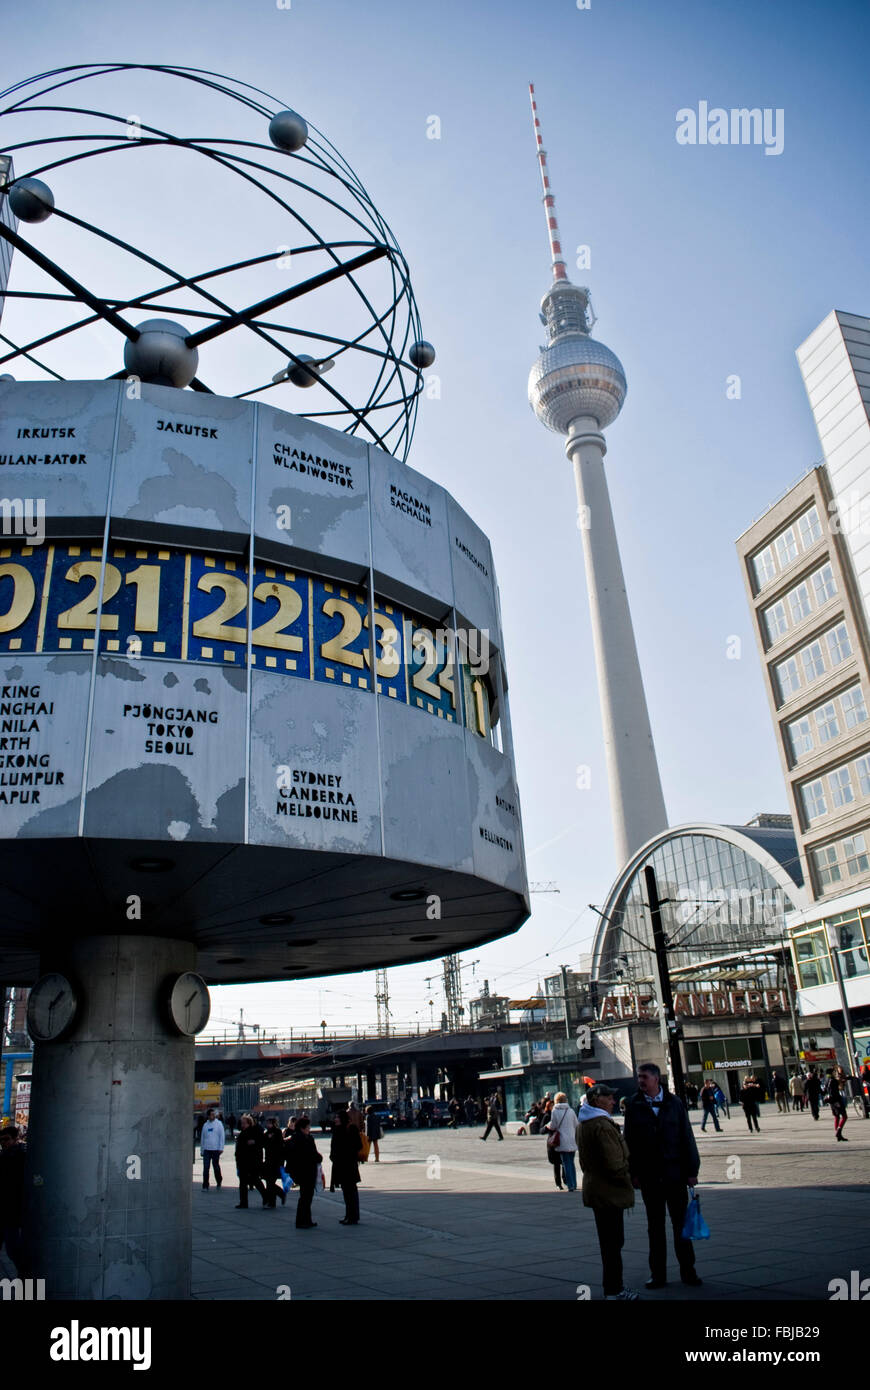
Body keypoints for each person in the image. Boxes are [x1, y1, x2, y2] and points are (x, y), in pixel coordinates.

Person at [623, 1062, 701, 1290]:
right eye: (639, 1077)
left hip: (675, 1174)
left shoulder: (674, 1103)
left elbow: (687, 1137)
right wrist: (633, 1173)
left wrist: (692, 1171)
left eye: (644, 1077)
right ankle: (657, 1274)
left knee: (681, 1225)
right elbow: (630, 1142)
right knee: (654, 1227)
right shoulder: (633, 1104)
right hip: (649, 1176)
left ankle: (688, 1271)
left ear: (656, 1078)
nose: (640, 1081)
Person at [576, 1084, 638, 1301]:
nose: (613, 1101)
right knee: (614, 1243)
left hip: (595, 1189)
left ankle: (613, 1287)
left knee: (608, 1243)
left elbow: (584, 1161)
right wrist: (627, 1176)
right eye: (609, 1098)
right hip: (609, 1191)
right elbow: (614, 1163)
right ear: (596, 1100)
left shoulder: (584, 1123)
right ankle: (615, 1289)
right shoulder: (601, 1124)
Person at [284, 1115, 322, 1228]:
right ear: (302, 1128)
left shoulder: (304, 1138)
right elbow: (308, 1154)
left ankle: (307, 1220)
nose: (309, 1128)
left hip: (306, 1171)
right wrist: (318, 1158)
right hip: (304, 1171)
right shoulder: (300, 1139)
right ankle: (301, 1221)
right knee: (305, 1197)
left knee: (307, 1196)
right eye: (308, 1127)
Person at [0, 1123, 26, 1275]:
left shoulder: (21, 1157)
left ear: (16, 1139)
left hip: (12, 1210)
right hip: (7, 1210)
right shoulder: (5, 1157)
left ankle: (26, 1280)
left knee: (13, 1249)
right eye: (1, 1140)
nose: (4, 1143)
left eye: (6, 1139)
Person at [330, 1109, 363, 1224]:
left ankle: (353, 1216)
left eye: (337, 1117)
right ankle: (349, 1215)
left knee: (351, 1192)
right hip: (341, 1165)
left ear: (342, 1118)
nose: (335, 1119)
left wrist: (346, 1153)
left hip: (348, 1165)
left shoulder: (351, 1128)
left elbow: (358, 1145)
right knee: (346, 1192)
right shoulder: (337, 1129)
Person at [546, 1092, 578, 1191]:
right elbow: (576, 1124)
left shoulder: (555, 1111)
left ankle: (570, 1185)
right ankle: (574, 1183)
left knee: (565, 1163)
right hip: (572, 1139)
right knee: (571, 1162)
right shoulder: (571, 1111)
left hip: (562, 1140)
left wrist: (548, 1126)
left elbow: (553, 1125)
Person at [234, 1115, 268, 1209]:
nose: (243, 1125)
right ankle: (243, 1202)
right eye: (242, 1123)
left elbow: (261, 1143)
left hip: (252, 1161)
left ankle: (265, 1197)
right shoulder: (242, 1133)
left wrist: (254, 1142)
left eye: (244, 1123)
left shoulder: (254, 1132)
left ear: (249, 1123)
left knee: (255, 1180)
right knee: (243, 1183)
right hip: (243, 1162)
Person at [262, 1116, 286, 1207]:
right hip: (268, 1160)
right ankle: (274, 1200)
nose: (268, 1125)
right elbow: (264, 1143)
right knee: (269, 1181)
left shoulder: (277, 1132)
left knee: (270, 1182)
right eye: (267, 1123)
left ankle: (277, 1197)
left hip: (276, 1160)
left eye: (269, 1123)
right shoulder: (266, 1133)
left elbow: (279, 1145)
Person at [200, 1108, 225, 1190]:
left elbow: (222, 1136)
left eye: (214, 1114)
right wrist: (202, 1150)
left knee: (216, 1166)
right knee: (206, 1167)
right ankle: (205, 1184)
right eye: (211, 1114)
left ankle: (219, 1180)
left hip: (215, 1149)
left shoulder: (219, 1124)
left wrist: (221, 1147)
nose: (213, 1116)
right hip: (207, 1149)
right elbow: (202, 1138)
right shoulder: (205, 1125)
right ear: (208, 1116)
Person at [827, 1068, 848, 1142]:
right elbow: (833, 1092)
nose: (835, 1073)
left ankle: (838, 1135)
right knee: (844, 1116)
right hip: (837, 1100)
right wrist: (836, 1102)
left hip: (832, 1101)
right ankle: (838, 1131)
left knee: (837, 1117)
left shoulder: (828, 1080)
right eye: (834, 1072)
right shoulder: (833, 1081)